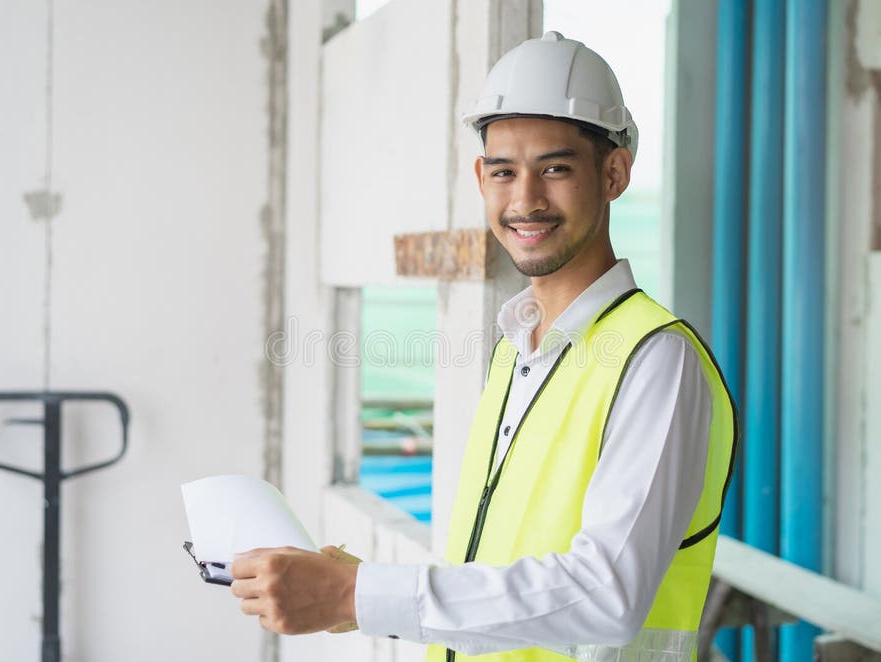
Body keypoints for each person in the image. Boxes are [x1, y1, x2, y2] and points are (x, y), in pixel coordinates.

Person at [230, 32, 737, 662]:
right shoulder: (516, 348)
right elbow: (506, 558)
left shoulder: (656, 359)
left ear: (614, 173)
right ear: (481, 178)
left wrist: (358, 595)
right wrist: (355, 585)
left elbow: (607, 594)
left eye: (555, 167)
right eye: (503, 171)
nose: (525, 200)